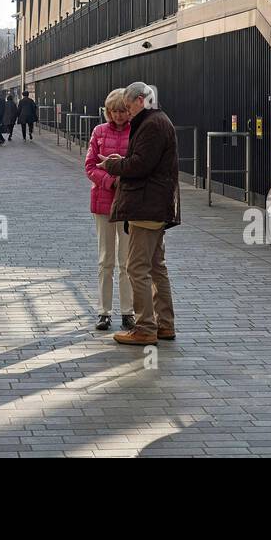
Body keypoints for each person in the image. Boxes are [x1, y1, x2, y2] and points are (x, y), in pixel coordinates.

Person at [99, 82, 179, 346]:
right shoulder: (157, 120)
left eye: (128, 105)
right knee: (157, 267)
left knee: (137, 267)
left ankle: (145, 327)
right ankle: (164, 324)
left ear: (140, 100)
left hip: (147, 204)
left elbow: (140, 165)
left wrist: (113, 164)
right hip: (155, 204)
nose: (126, 110)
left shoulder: (151, 124)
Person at [85, 89, 134, 332]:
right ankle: (103, 312)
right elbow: (90, 166)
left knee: (127, 261)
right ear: (108, 111)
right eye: (114, 111)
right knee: (105, 260)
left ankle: (128, 311)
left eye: (123, 110)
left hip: (128, 203)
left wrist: (122, 177)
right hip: (103, 201)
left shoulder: (137, 133)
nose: (118, 115)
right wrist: (111, 181)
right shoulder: (99, 132)